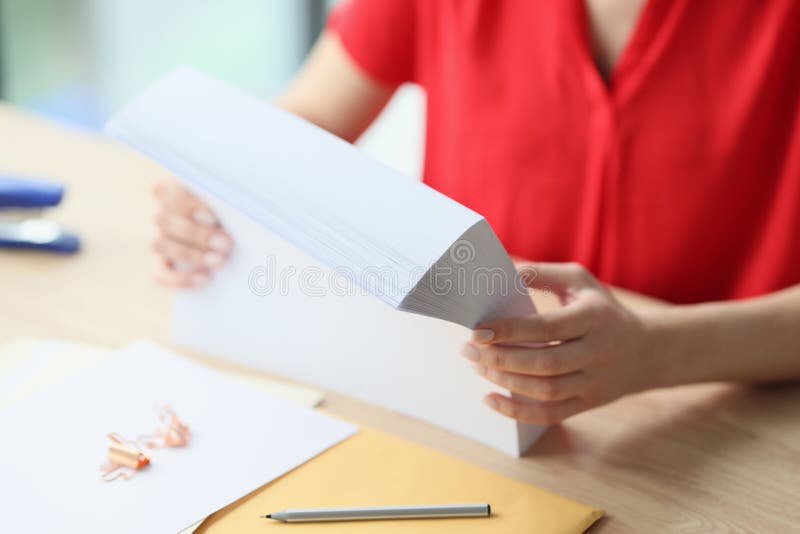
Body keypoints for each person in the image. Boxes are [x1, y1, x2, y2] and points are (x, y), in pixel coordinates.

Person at [151, 0, 800, 425]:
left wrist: (656, 354)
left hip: (730, 413)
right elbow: (313, 117)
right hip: (456, 400)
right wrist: (221, 189)